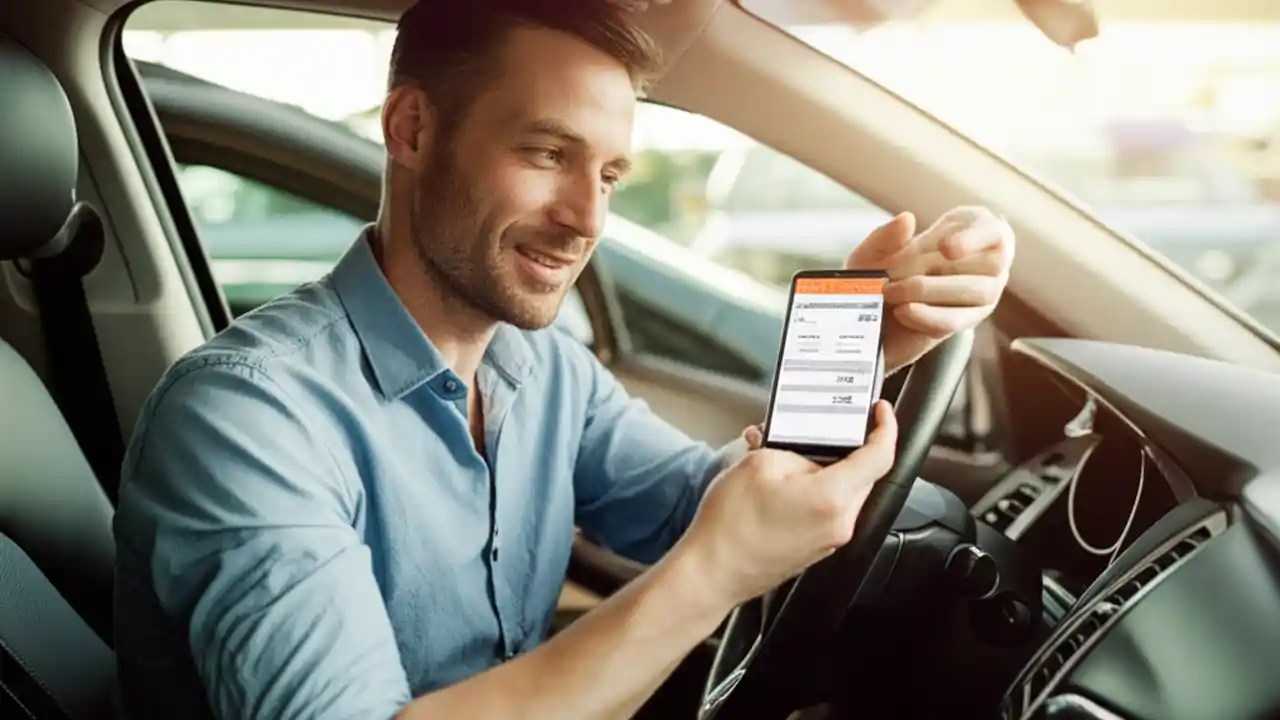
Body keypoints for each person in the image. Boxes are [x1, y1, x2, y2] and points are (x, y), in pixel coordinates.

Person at [112, 1, 1015, 718]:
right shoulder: (244, 419)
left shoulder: (542, 372)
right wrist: (713, 571)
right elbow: (711, 545)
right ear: (414, 129)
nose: (588, 218)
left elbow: (696, 505)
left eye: (611, 175)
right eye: (549, 154)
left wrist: (870, 338)